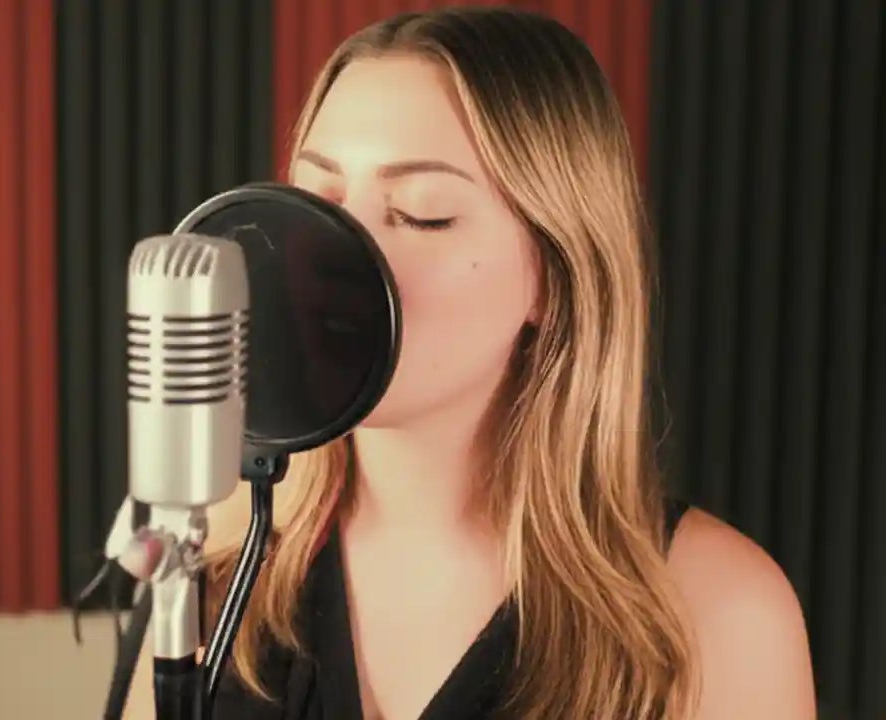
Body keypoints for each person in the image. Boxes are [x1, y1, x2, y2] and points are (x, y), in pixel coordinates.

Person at [124, 7, 815, 719]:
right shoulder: (210, 566)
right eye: (318, 197)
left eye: (422, 213)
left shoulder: (717, 614)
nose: (330, 252)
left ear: (554, 273)